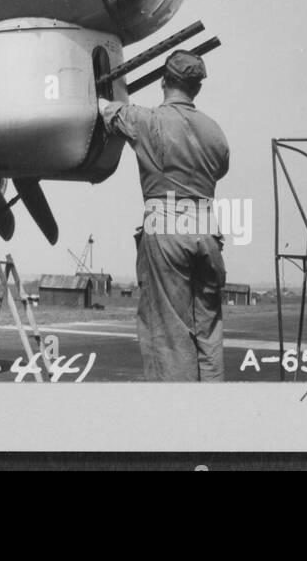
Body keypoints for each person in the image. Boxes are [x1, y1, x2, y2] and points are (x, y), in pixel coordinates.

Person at [97, 50, 230, 381]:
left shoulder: (149, 121)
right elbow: (222, 168)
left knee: (168, 335)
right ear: (197, 88)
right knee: (208, 333)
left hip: (166, 229)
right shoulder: (215, 132)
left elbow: (107, 111)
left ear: (163, 81)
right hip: (207, 230)